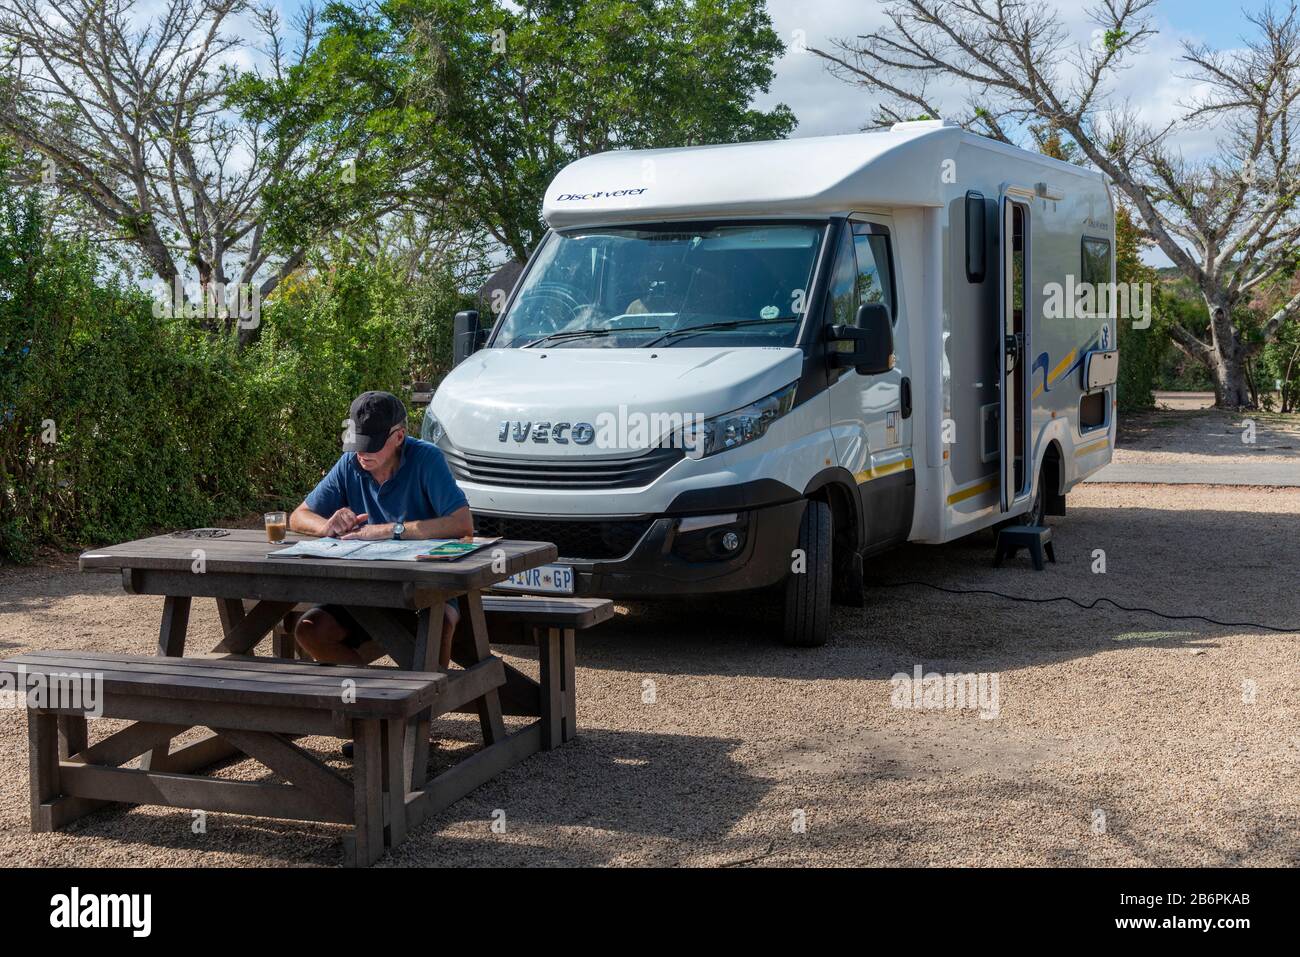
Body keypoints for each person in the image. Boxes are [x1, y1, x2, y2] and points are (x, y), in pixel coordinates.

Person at [289, 390, 473, 669]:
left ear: (399, 436)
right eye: (356, 443)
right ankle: (371, 703)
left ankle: (420, 708)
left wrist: (391, 530)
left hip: (428, 591)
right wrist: (326, 526)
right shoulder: (350, 463)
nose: (361, 453)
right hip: (364, 592)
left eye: (371, 444)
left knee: (438, 627)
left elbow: (461, 523)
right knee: (310, 629)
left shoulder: (427, 459)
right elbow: (299, 516)